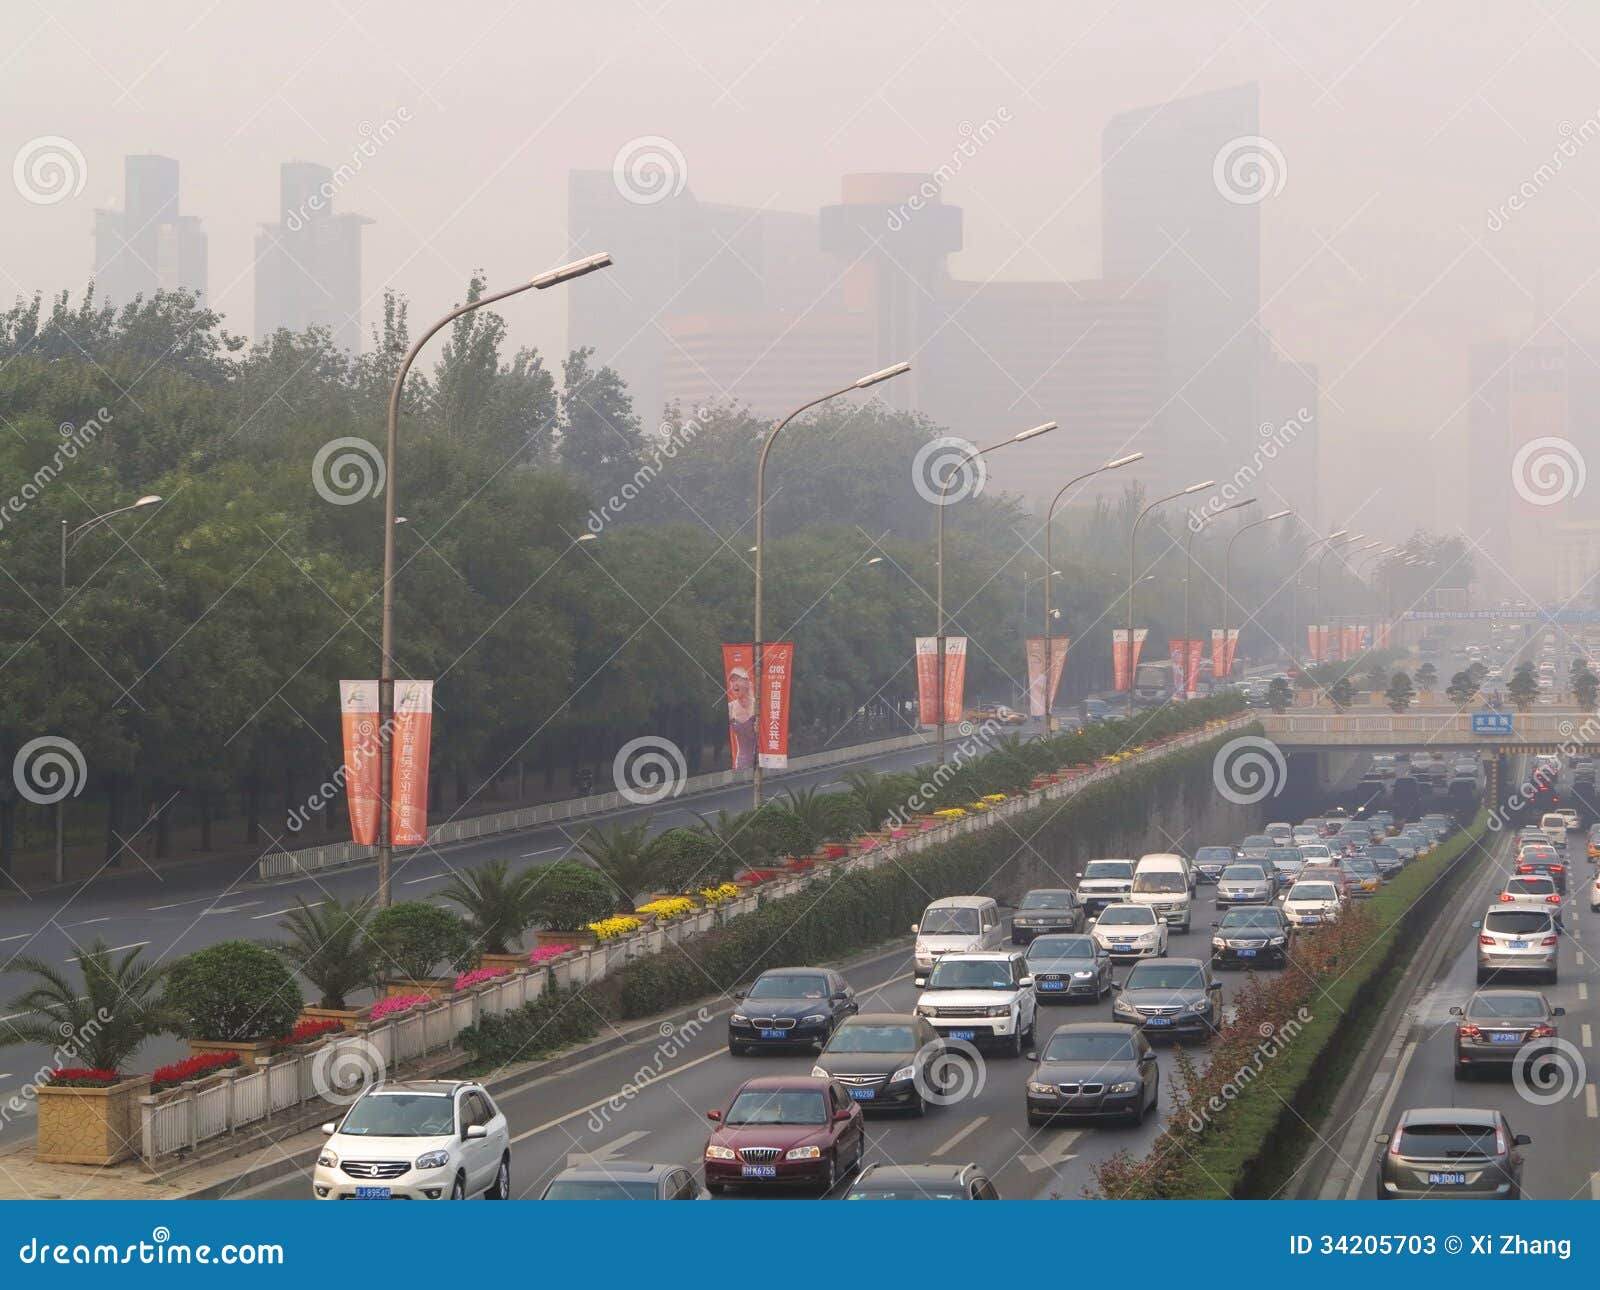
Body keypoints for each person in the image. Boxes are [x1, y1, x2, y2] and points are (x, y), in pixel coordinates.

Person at [727, 666, 756, 769]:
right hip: (742, 763)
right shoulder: (730, 708)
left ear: (747, 683)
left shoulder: (758, 705)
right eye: (732, 681)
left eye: (738, 680)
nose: (734, 683)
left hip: (760, 761)